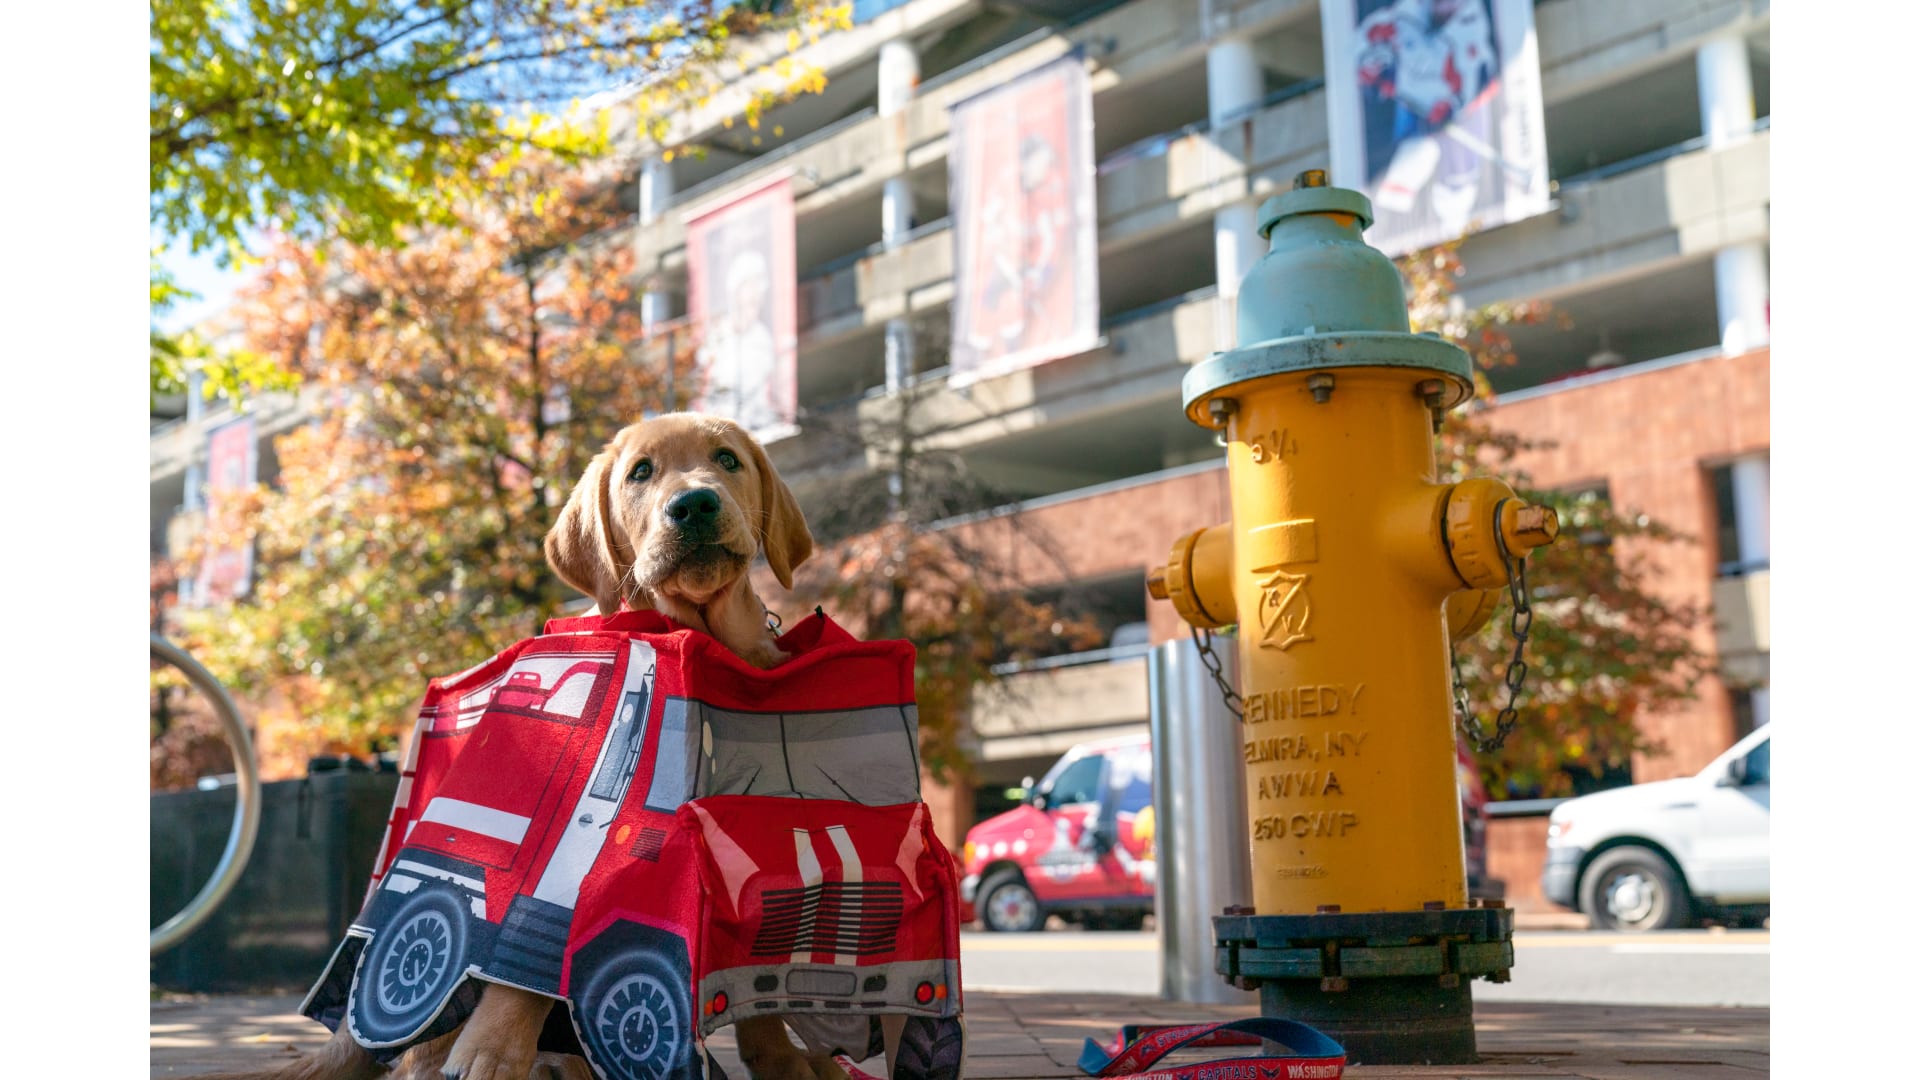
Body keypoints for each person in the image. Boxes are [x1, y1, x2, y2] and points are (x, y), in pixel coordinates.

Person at [1356, 0, 1500, 237]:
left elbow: (1483, 82)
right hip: (1416, 103)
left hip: (1454, 107)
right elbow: (1368, 41)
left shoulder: (1470, 28)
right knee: (1416, 152)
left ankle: (1453, 212)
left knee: (1454, 182)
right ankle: (1393, 201)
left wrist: (1454, 104)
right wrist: (1377, 67)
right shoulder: (1409, 13)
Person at [696, 247, 787, 435]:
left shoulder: (762, 338)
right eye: (751, 286)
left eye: (760, 288)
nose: (756, 294)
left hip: (757, 428)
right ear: (737, 290)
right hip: (720, 430)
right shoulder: (718, 336)